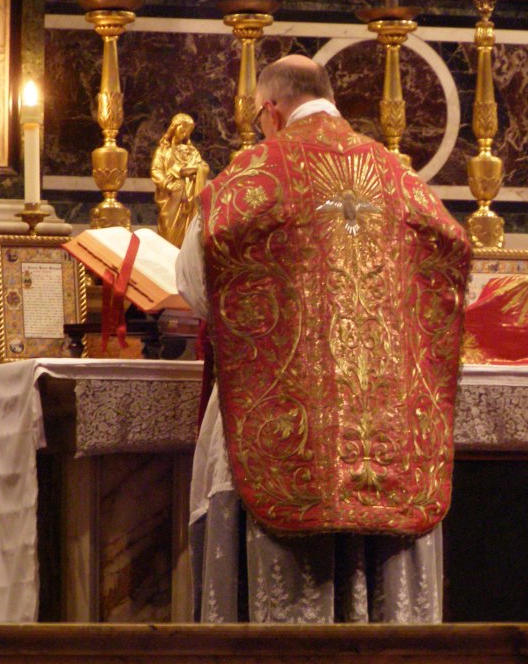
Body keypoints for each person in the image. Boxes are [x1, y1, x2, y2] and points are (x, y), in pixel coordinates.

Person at [176, 54, 470, 623]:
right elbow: (456, 274)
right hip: (388, 422)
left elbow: (197, 287)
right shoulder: (403, 181)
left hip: (280, 416)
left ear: (270, 111)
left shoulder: (248, 177)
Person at [150, 112, 209, 247]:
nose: (184, 133)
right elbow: (156, 171)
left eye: (188, 131)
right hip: (171, 198)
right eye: (182, 129)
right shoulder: (163, 151)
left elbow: (203, 167)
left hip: (189, 198)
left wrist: (196, 170)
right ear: (174, 128)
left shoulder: (193, 151)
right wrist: (167, 183)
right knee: (168, 233)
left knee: (188, 235)